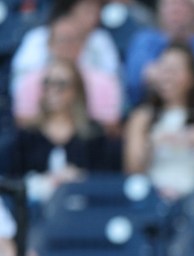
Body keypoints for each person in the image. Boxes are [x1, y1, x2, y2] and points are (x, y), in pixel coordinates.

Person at [123, 41, 194, 200]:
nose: (168, 76)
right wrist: (152, 145)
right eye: (163, 69)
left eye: (175, 70)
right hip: (153, 199)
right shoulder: (142, 116)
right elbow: (132, 170)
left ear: (192, 77)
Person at [11, 58, 120, 203]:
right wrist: (44, 181)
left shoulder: (94, 135)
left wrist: (81, 178)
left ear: (76, 90)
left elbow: (107, 182)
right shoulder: (27, 135)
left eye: (61, 84)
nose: (53, 90)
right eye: (47, 83)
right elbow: (11, 181)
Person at [13, 12, 124, 133]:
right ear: (49, 44)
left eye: (74, 40)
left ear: (83, 44)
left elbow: (111, 130)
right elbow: (23, 126)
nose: (68, 46)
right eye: (62, 40)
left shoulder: (105, 83)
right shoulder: (30, 81)